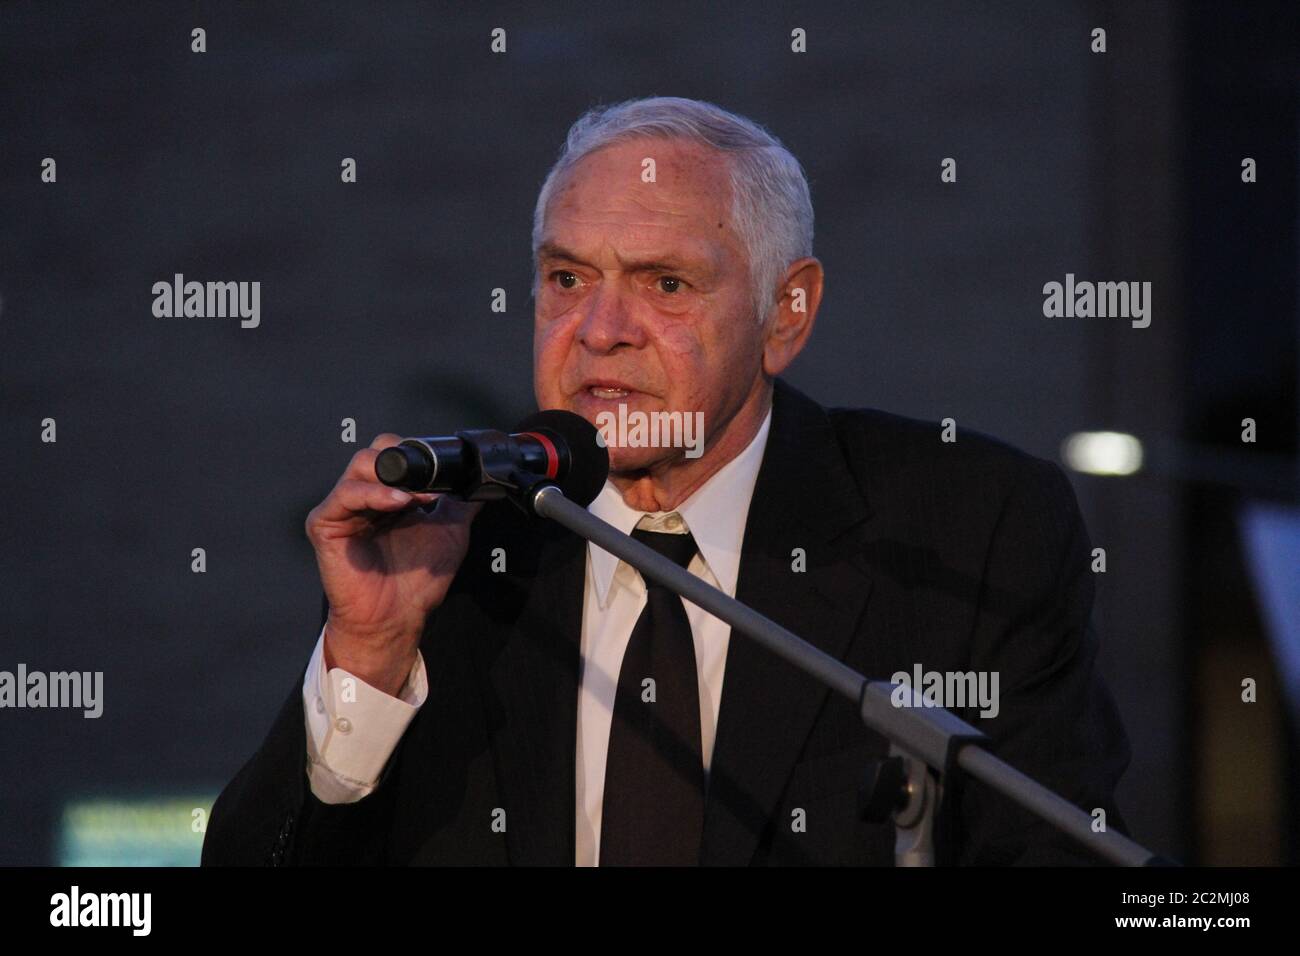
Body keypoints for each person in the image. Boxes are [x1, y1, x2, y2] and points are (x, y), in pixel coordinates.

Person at [202, 96, 1131, 866]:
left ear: (786, 314)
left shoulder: (964, 531)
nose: (601, 328)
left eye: (666, 285)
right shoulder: (453, 545)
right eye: (566, 278)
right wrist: (368, 656)